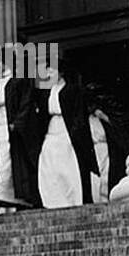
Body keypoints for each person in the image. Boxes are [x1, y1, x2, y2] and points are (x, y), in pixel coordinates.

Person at [0, 53, 41, 212]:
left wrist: (17, 124)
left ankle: (16, 199)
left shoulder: (19, 82)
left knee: (11, 165)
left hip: (12, 130)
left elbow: (26, 104)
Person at [35, 61, 100, 208]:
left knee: (69, 166)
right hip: (52, 131)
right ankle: (53, 200)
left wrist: (75, 133)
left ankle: (72, 199)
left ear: (60, 72)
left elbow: (77, 115)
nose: (49, 74)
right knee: (49, 164)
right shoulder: (46, 92)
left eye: (52, 71)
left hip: (67, 131)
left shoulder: (72, 90)